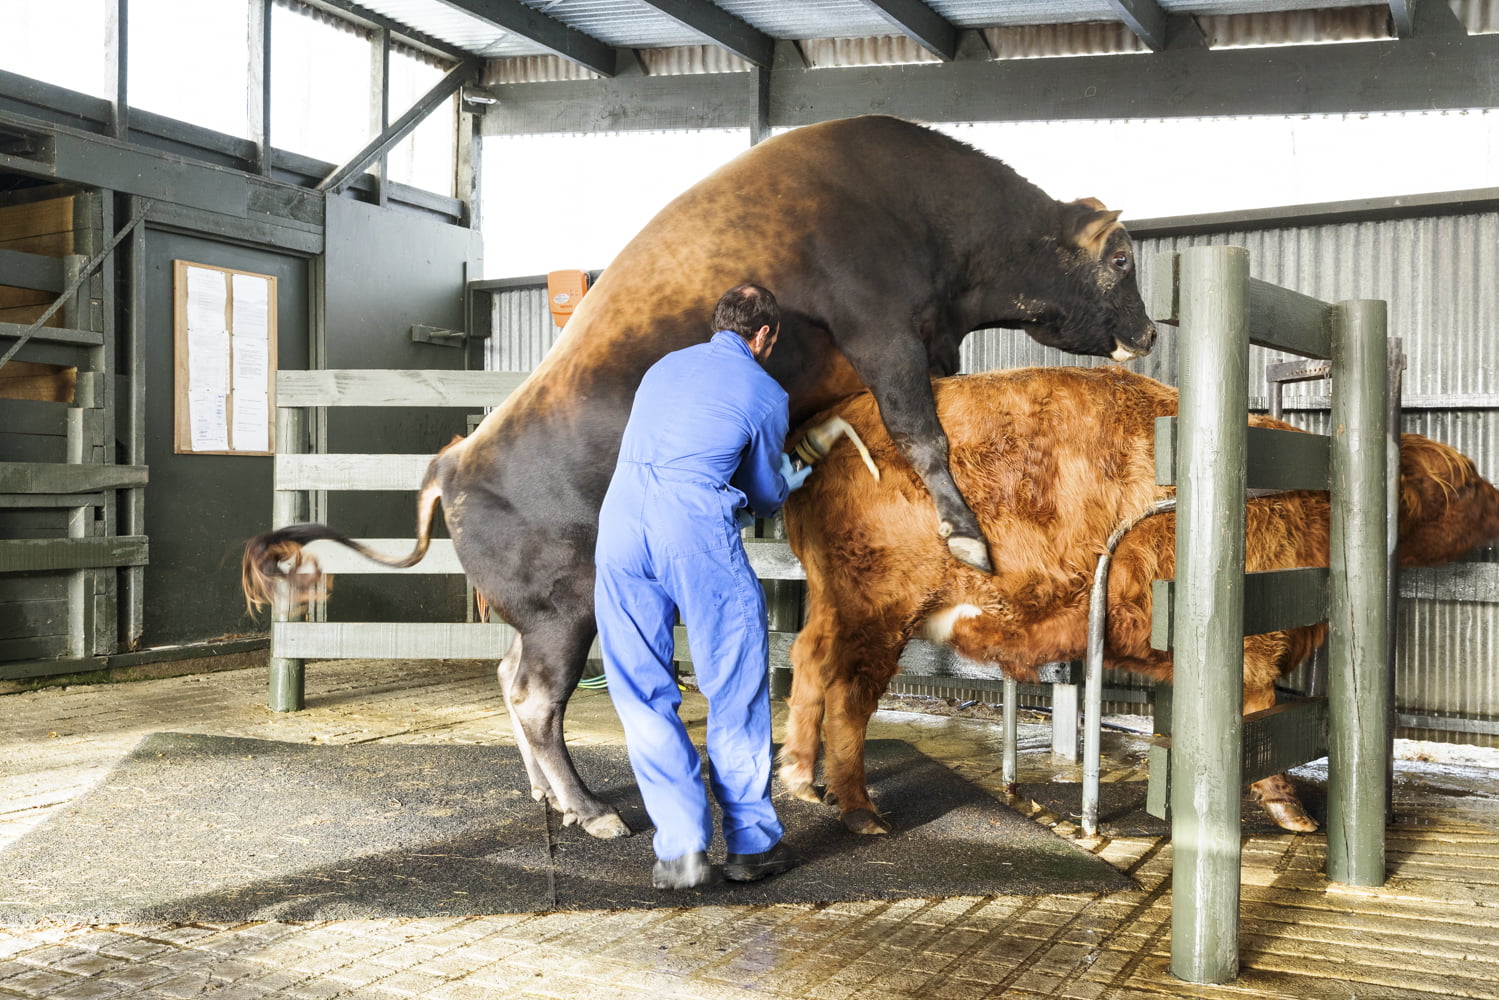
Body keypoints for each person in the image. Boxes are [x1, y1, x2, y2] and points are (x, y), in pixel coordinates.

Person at [594, 283, 811, 890]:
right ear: (763, 335)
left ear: (718, 323)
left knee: (641, 690)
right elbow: (763, 493)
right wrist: (793, 474)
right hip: (690, 533)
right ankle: (750, 844)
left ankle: (682, 850)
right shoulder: (766, 393)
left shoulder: (663, 366)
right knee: (734, 684)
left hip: (619, 528)